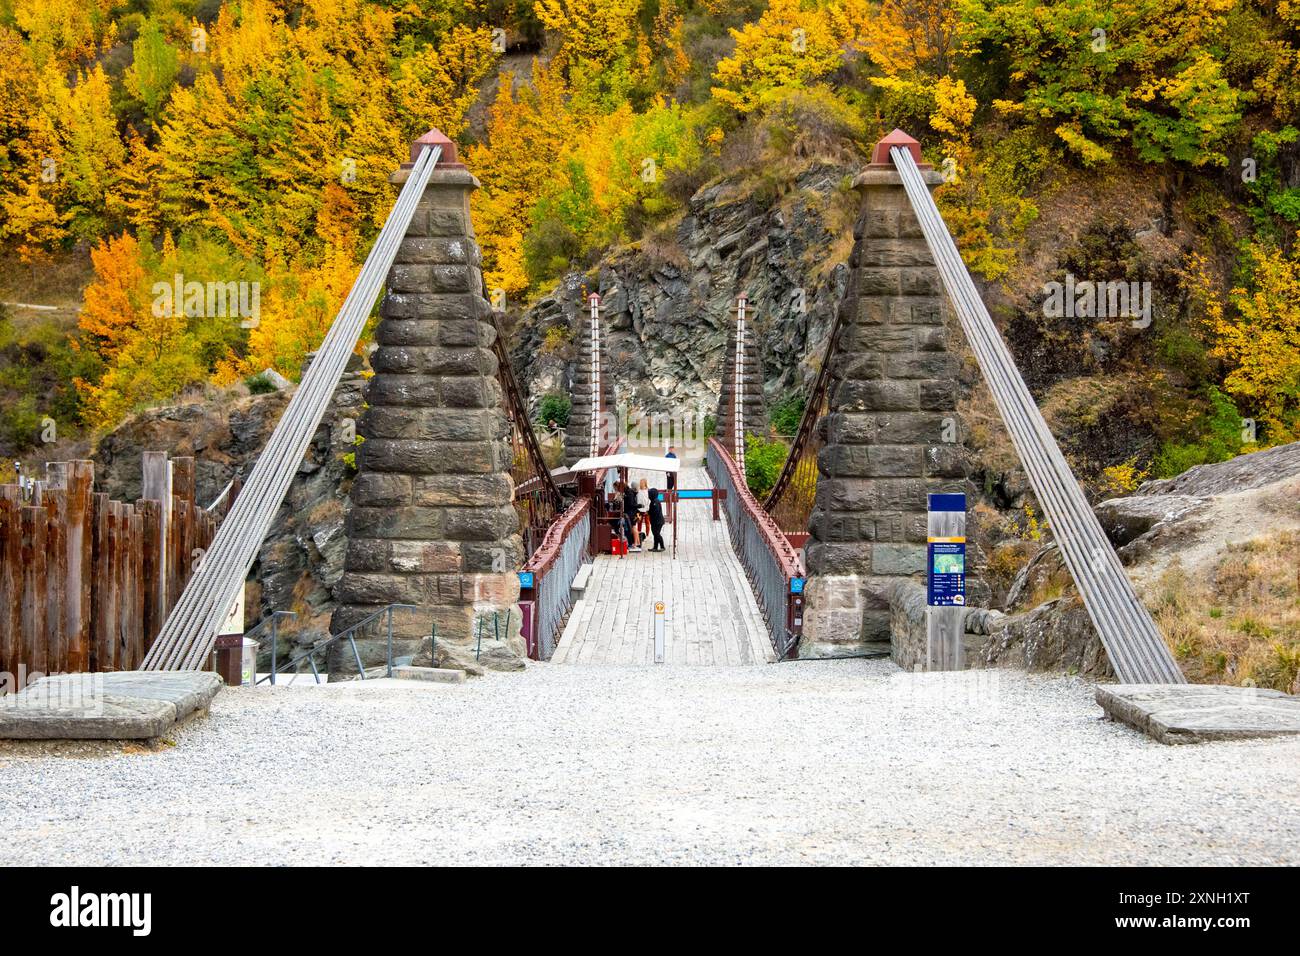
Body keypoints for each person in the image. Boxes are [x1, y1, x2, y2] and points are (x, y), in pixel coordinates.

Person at [622, 478, 641, 551]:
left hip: (631, 513)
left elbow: (631, 504)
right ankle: (638, 542)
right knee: (634, 527)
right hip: (634, 513)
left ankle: (635, 543)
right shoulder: (633, 493)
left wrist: (638, 505)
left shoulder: (630, 493)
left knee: (633, 527)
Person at [647, 486, 666, 552]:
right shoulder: (653, 501)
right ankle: (655, 547)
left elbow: (655, 511)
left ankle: (662, 546)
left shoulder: (655, 502)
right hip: (654, 521)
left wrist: (649, 512)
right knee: (655, 534)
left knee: (656, 533)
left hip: (658, 521)